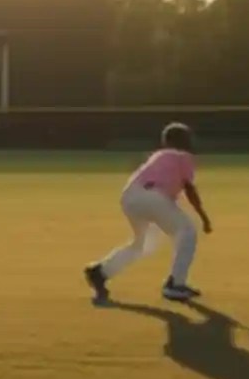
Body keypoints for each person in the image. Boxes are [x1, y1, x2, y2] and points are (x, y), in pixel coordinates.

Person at [84, 123, 213, 304]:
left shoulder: (158, 155)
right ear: (180, 141)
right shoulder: (183, 156)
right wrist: (203, 217)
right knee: (187, 231)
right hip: (153, 198)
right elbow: (189, 189)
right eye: (187, 138)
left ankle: (100, 272)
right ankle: (175, 284)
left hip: (130, 197)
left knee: (143, 245)